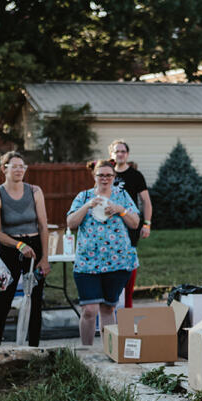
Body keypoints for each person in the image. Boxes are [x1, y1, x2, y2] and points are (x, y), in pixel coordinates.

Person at [67, 159, 139, 346]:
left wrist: (120, 210)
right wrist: (88, 206)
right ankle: (87, 352)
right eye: (101, 175)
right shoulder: (83, 197)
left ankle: (109, 351)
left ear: (114, 177)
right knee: (89, 310)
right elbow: (71, 224)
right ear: (94, 176)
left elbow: (135, 223)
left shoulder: (122, 196)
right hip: (87, 262)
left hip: (117, 261)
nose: (105, 179)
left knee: (108, 308)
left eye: (109, 175)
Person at [0, 152, 49, 347]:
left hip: (35, 248)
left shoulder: (35, 191)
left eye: (22, 166)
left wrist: (45, 258)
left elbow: (43, 226)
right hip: (10, 248)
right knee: (5, 297)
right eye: (14, 166)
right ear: (4, 168)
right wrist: (18, 245)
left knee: (35, 299)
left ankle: (34, 346)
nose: (19, 170)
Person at [109, 140, 151, 307]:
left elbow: (146, 202)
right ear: (111, 154)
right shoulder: (107, 174)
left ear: (127, 154)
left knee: (129, 261)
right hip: (110, 227)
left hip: (130, 225)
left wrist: (147, 224)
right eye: (117, 151)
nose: (120, 154)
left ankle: (127, 303)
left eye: (123, 151)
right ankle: (112, 301)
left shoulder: (136, 175)